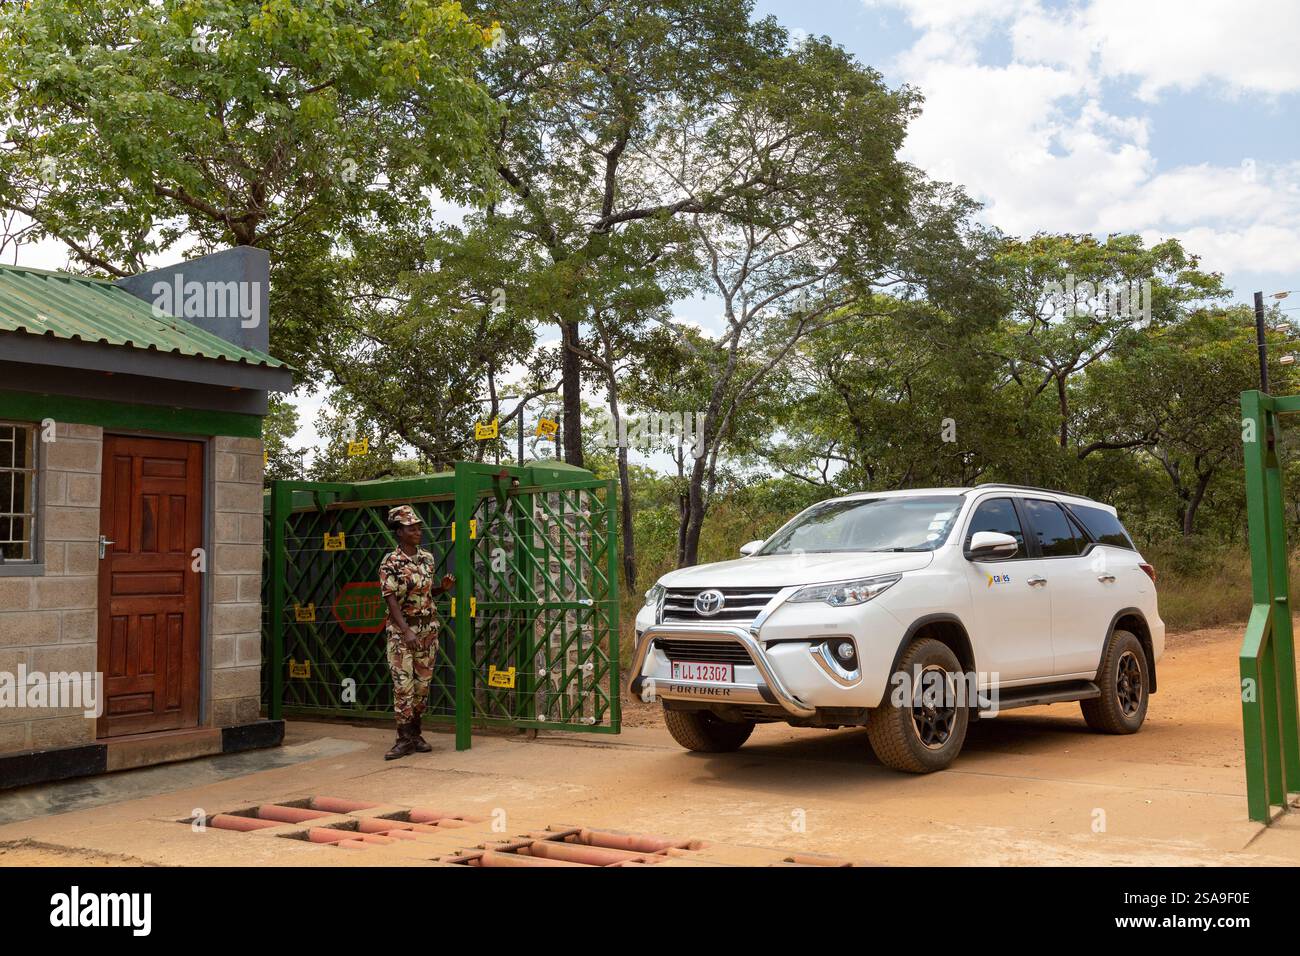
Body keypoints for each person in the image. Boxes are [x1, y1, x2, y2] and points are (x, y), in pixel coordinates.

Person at [378, 505, 454, 760]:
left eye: (418, 527)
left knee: (422, 687)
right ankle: (402, 738)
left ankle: (415, 734)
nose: (417, 531)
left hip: (427, 630)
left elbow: (423, 594)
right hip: (402, 633)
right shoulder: (391, 562)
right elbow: (390, 599)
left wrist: (441, 589)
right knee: (403, 686)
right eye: (412, 528)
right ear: (399, 531)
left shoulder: (428, 559)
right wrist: (405, 630)